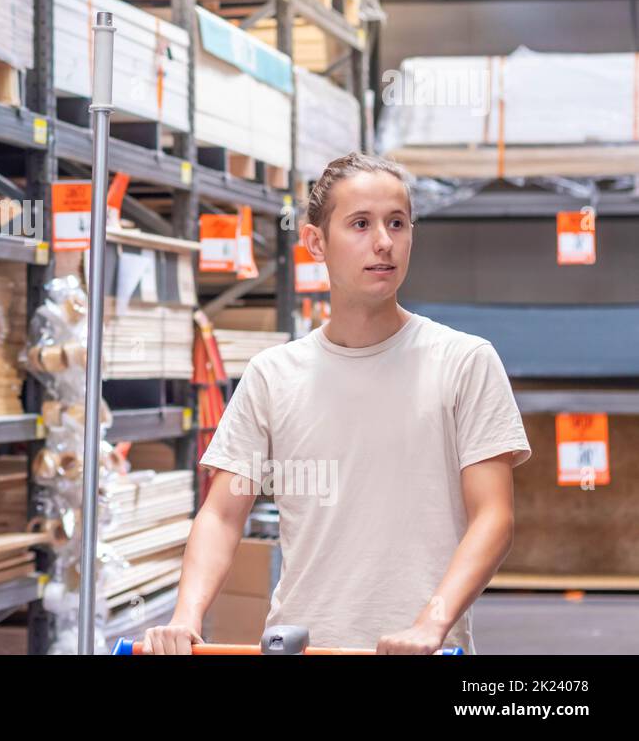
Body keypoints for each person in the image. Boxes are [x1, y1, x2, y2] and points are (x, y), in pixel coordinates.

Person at [144, 153, 531, 655]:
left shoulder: (464, 362)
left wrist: (430, 623)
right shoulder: (273, 376)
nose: (384, 242)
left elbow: (494, 517)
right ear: (315, 242)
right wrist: (185, 618)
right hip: (299, 647)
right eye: (360, 224)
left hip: (421, 651)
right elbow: (221, 515)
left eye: (397, 223)